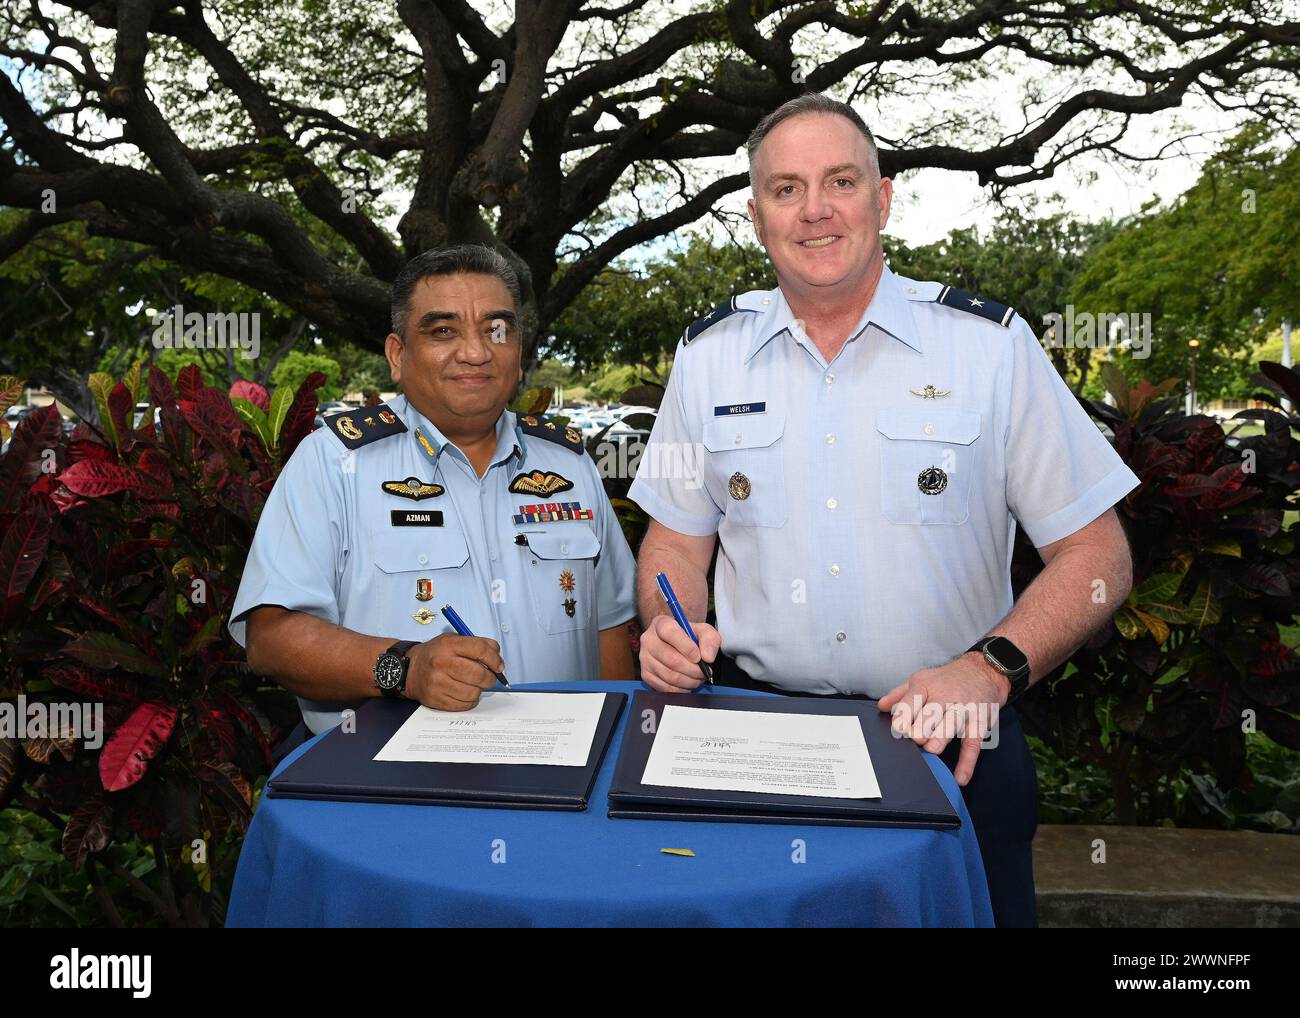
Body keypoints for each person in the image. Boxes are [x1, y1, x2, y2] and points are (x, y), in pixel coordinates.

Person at [627, 93, 1138, 928]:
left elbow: (1098, 557)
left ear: (884, 197)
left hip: (951, 740)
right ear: (756, 217)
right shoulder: (708, 357)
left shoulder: (988, 347)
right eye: (786, 189)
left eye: (841, 181)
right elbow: (675, 546)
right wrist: (666, 624)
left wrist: (990, 670)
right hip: (755, 739)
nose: (815, 210)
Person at [230, 244, 637, 739]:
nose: (475, 352)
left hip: (564, 764)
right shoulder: (334, 463)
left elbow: (609, 626)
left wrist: (615, 748)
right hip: (392, 772)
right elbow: (271, 637)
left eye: (497, 329)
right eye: (443, 331)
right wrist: (406, 669)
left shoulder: (569, 463)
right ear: (398, 355)